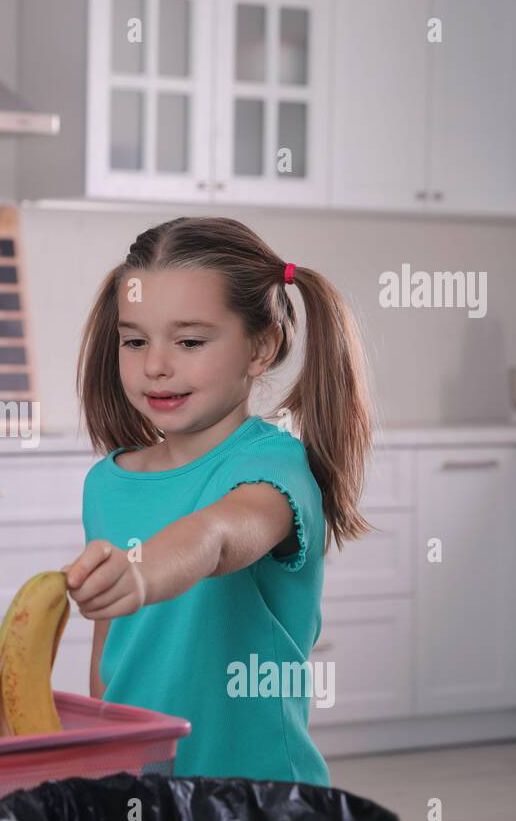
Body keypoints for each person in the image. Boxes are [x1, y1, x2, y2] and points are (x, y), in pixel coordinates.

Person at [62, 216, 374, 786]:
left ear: (262, 346)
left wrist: (141, 571)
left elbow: (219, 536)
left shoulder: (273, 469)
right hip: (148, 791)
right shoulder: (107, 483)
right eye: (135, 340)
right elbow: (111, 649)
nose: (155, 364)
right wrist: (105, 760)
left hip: (257, 800)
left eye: (189, 341)